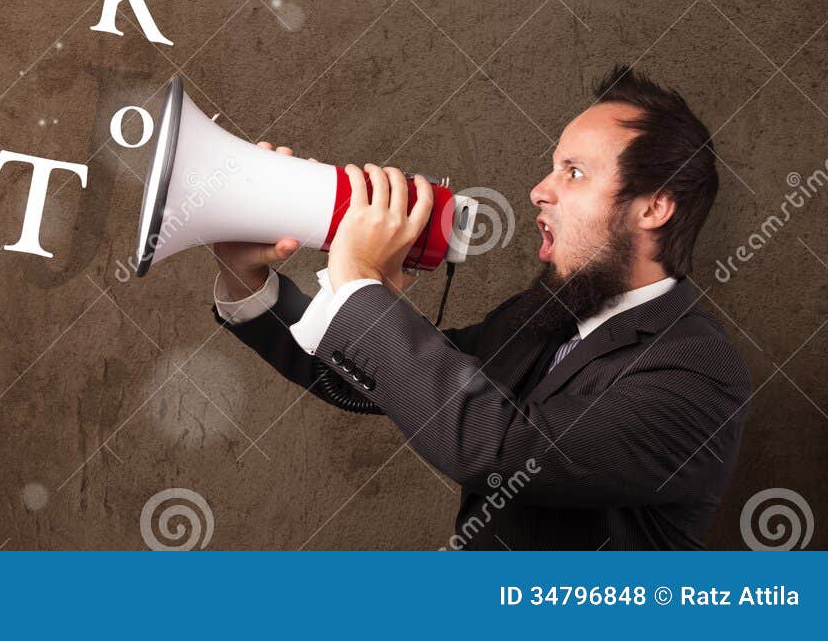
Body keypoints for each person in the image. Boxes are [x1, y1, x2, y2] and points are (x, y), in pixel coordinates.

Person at [212, 65, 751, 549]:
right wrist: (247, 277)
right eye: (551, 169)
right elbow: (370, 378)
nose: (540, 191)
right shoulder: (542, 321)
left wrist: (363, 283)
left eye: (574, 172)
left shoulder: (697, 373)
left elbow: (503, 451)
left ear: (653, 207)